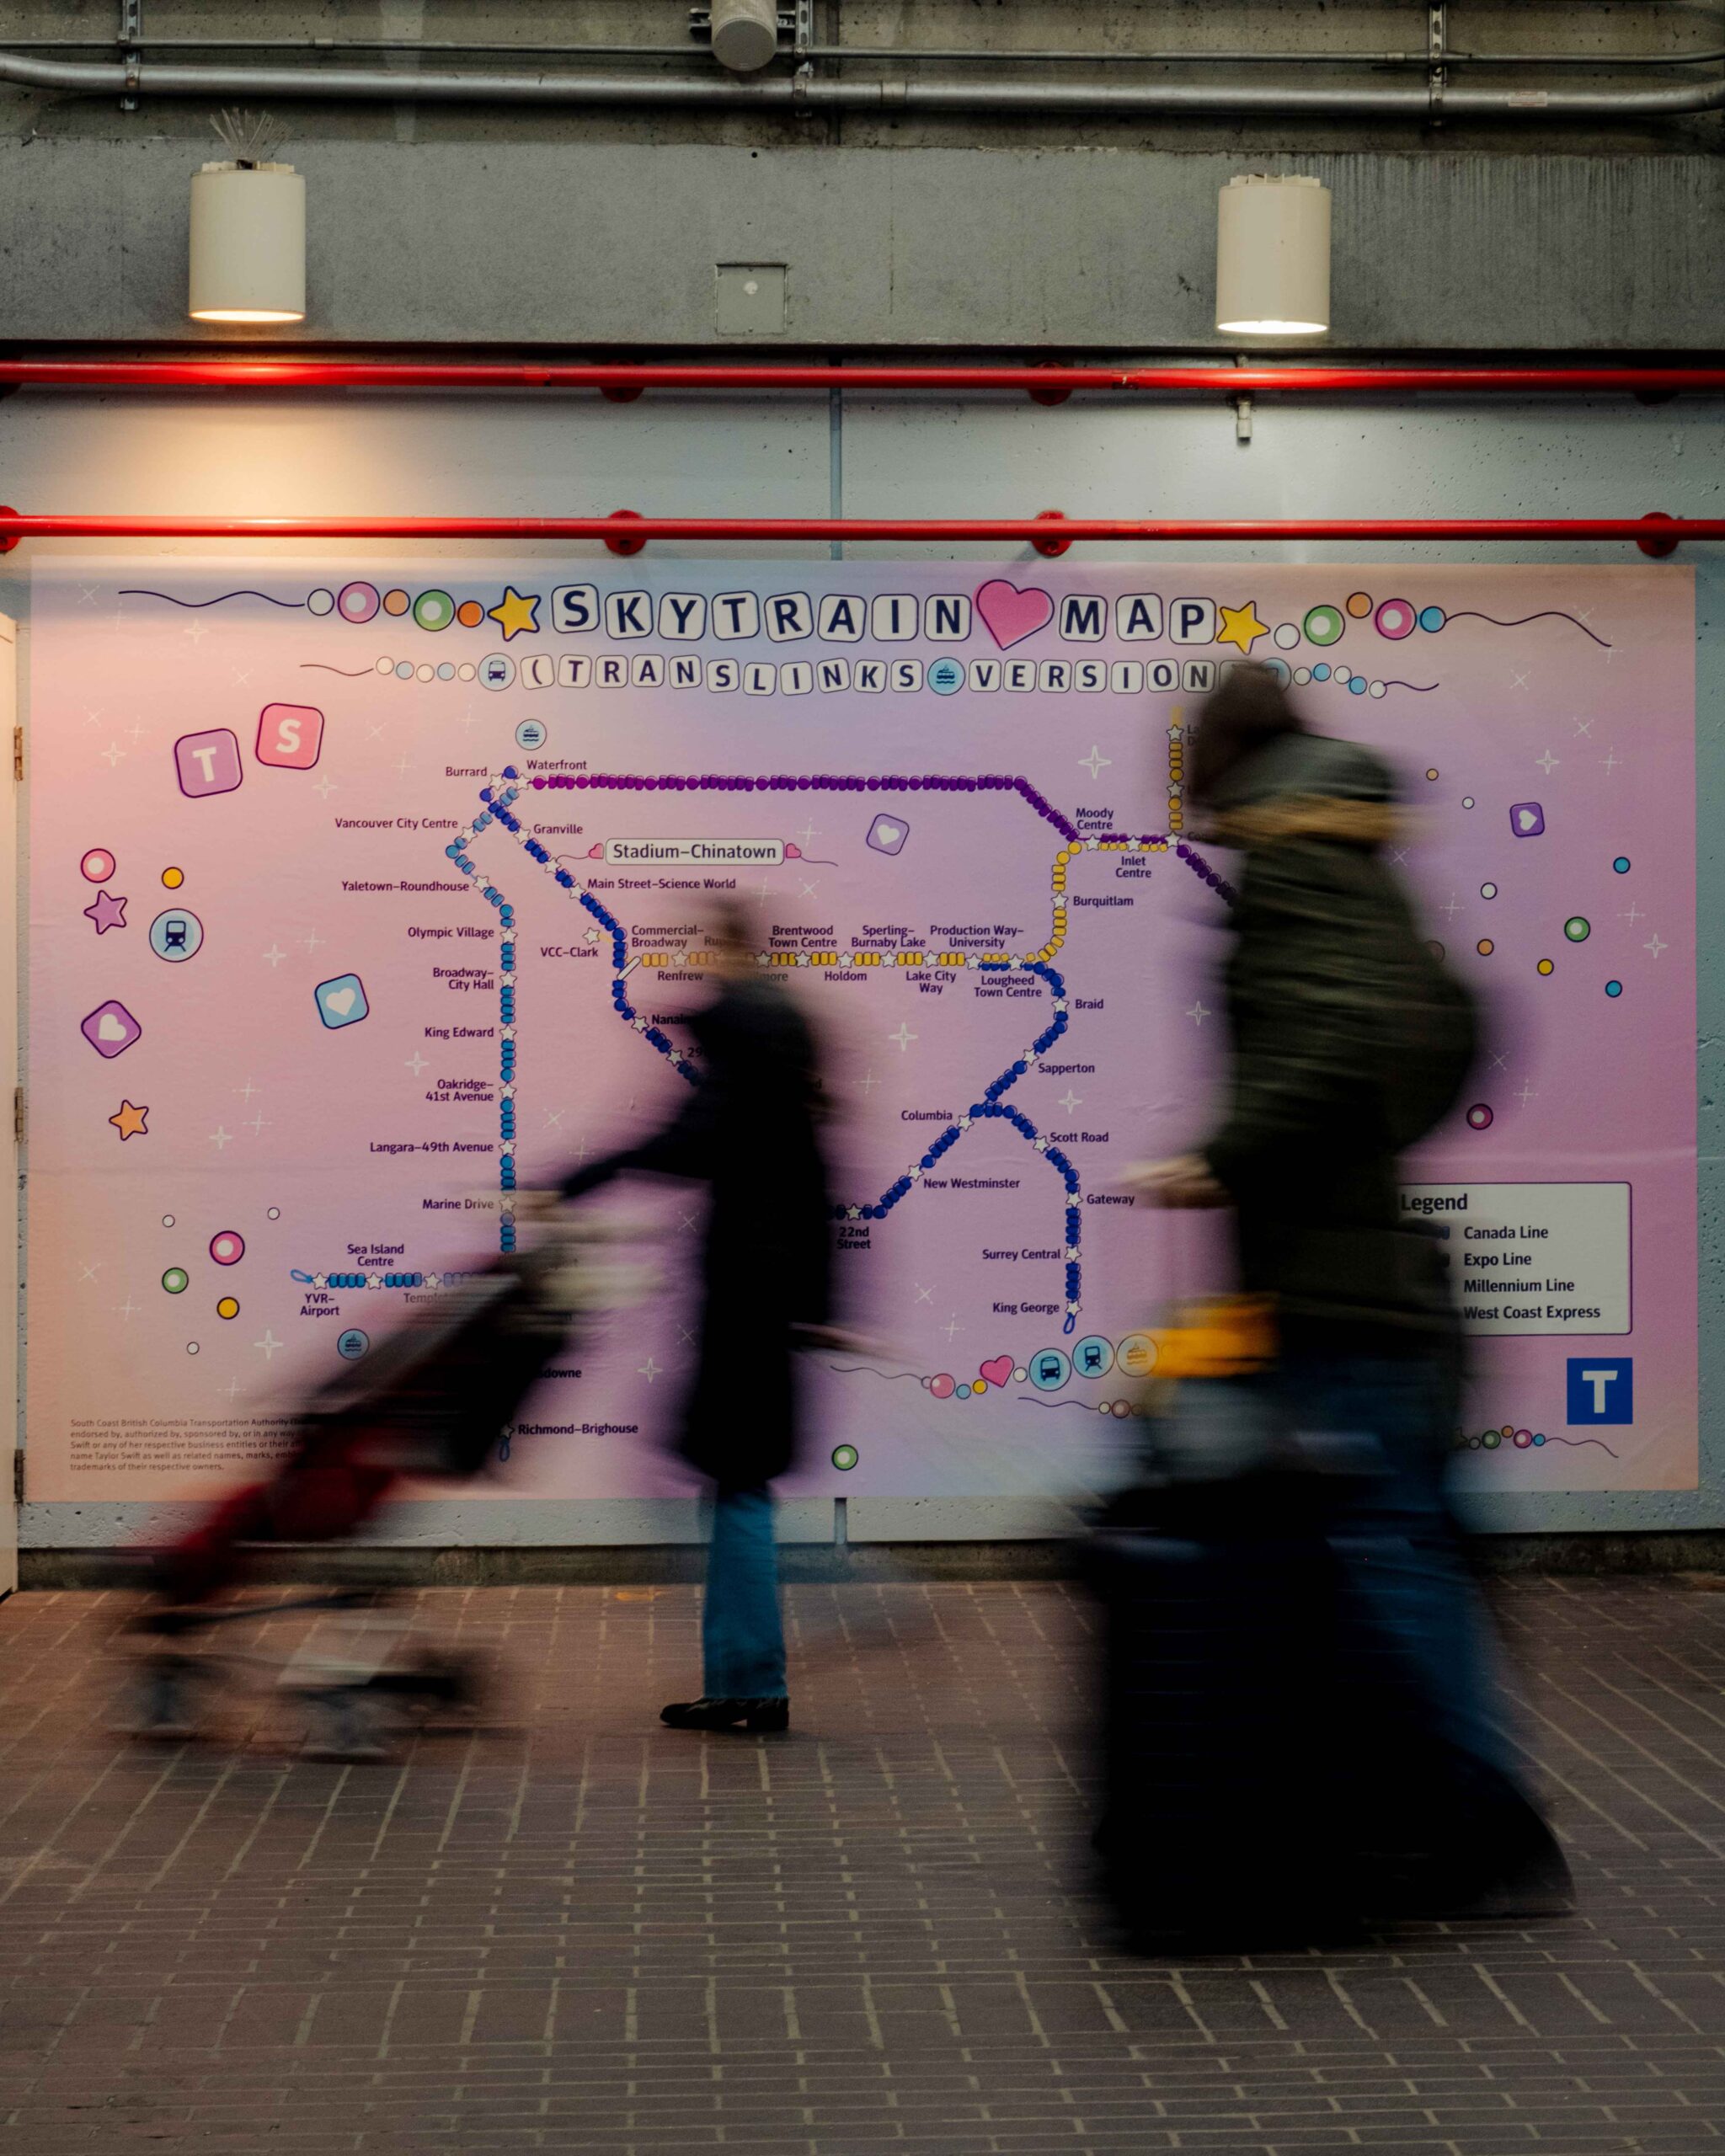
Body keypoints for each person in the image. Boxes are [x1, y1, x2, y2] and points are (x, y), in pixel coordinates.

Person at [1124, 663, 1570, 1914]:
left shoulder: (1297, 859)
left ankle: (1482, 1827)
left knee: (1387, 1547)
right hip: (1358, 1265)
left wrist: (1224, 1156)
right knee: (1400, 1539)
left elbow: (1337, 1040)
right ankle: (1427, 1809)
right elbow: (1442, 1029)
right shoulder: (1358, 856)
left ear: (1218, 755)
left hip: (1333, 1280)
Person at [559, 899, 839, 1733]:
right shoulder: (782, 1033)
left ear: (725, 947)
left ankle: (778, 1664)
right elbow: (816, 1166)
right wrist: (823, 1297)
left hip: (748, 1287)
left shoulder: (748, 1034)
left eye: (698, 945)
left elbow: (693, 1140)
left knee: (734, 1484)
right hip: (771, 1285)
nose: (692, 960)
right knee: (727, 1481)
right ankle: (740, 1680)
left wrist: (581, 1176)